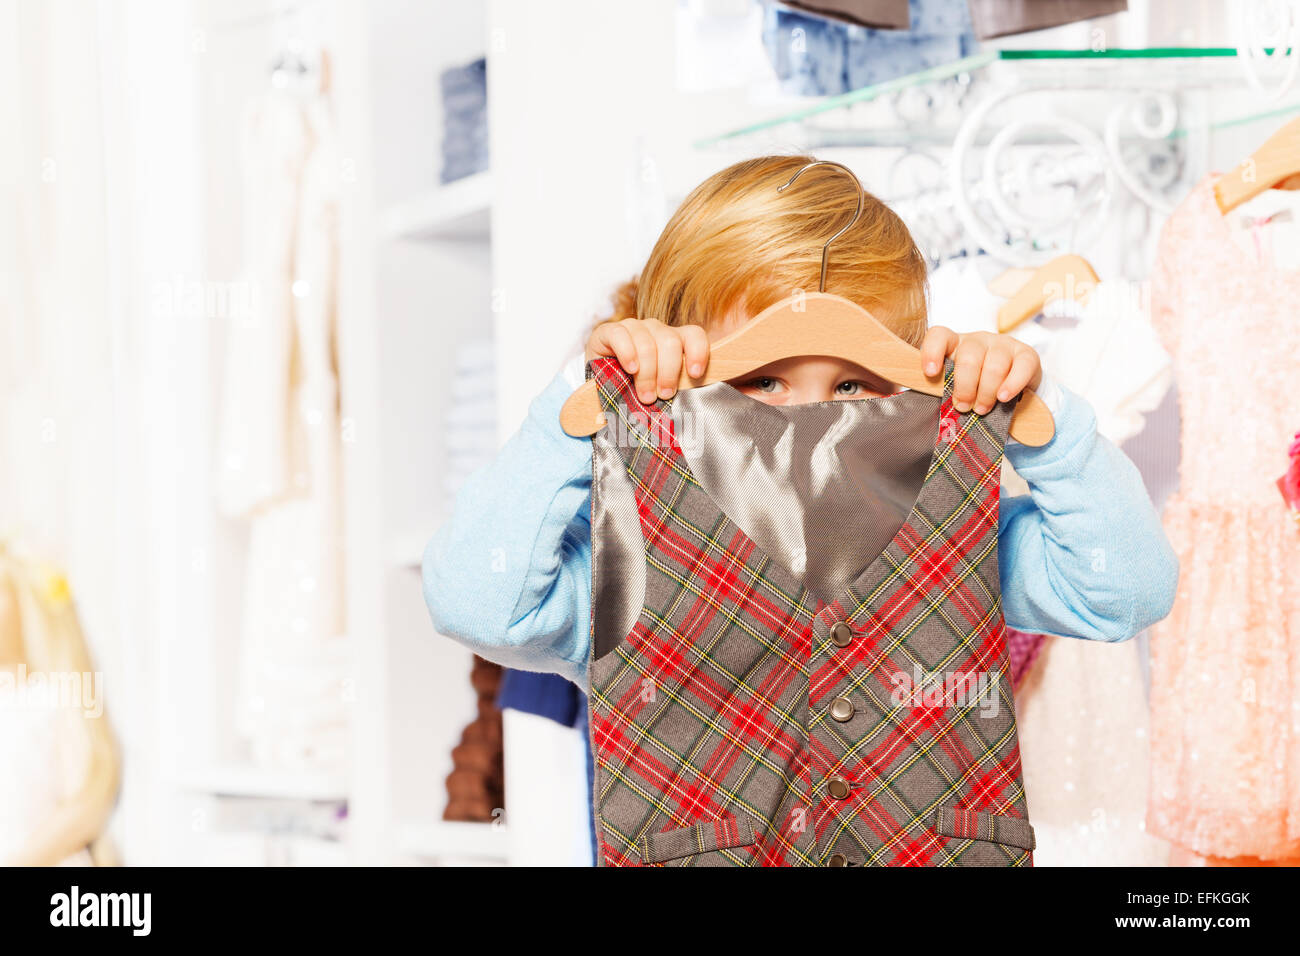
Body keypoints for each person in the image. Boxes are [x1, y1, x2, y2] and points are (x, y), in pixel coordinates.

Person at [422, 154, 1179, 689]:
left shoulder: (944, 528)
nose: (811, 420)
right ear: (681, 378)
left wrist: (1041, 428)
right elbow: (481, 605)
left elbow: (1124, 594)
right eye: (761, 379)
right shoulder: (630, 553)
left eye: (852, 381)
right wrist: (578, 406)